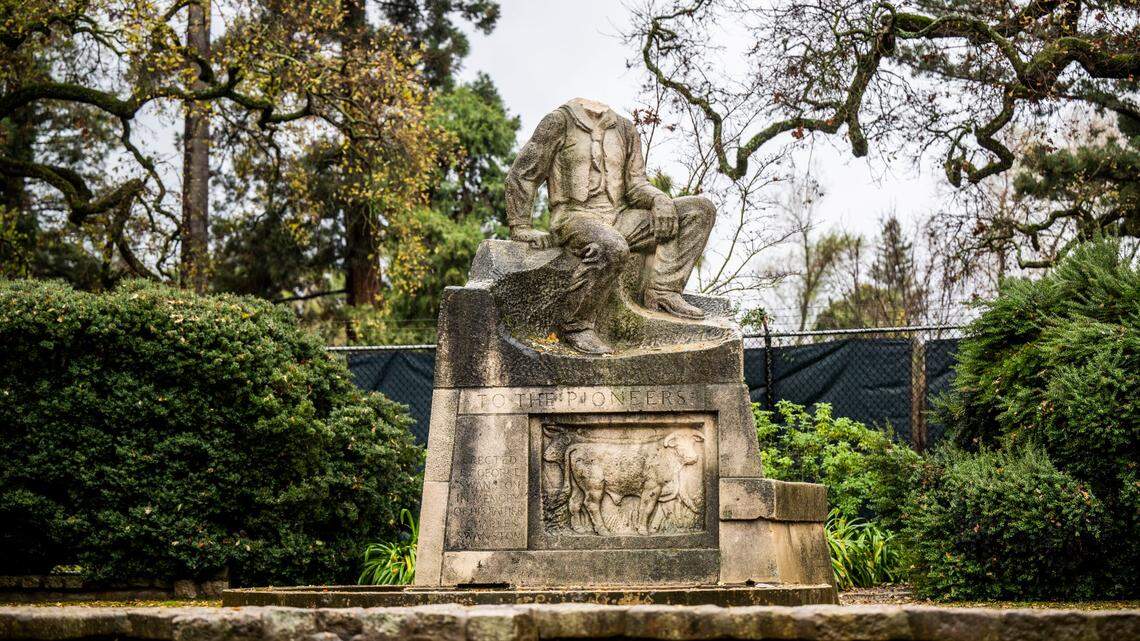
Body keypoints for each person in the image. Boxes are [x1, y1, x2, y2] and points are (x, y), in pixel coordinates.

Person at [506, 97, 716, 354]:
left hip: (620, 217)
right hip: (575, 216)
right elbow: (523, 173)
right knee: (612, 246)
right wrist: (520, 226)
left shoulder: (625, 128)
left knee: (699, 210)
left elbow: (636, 185)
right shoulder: (558, 121)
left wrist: (659, 199)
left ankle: (663, 291)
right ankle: (575, 325)